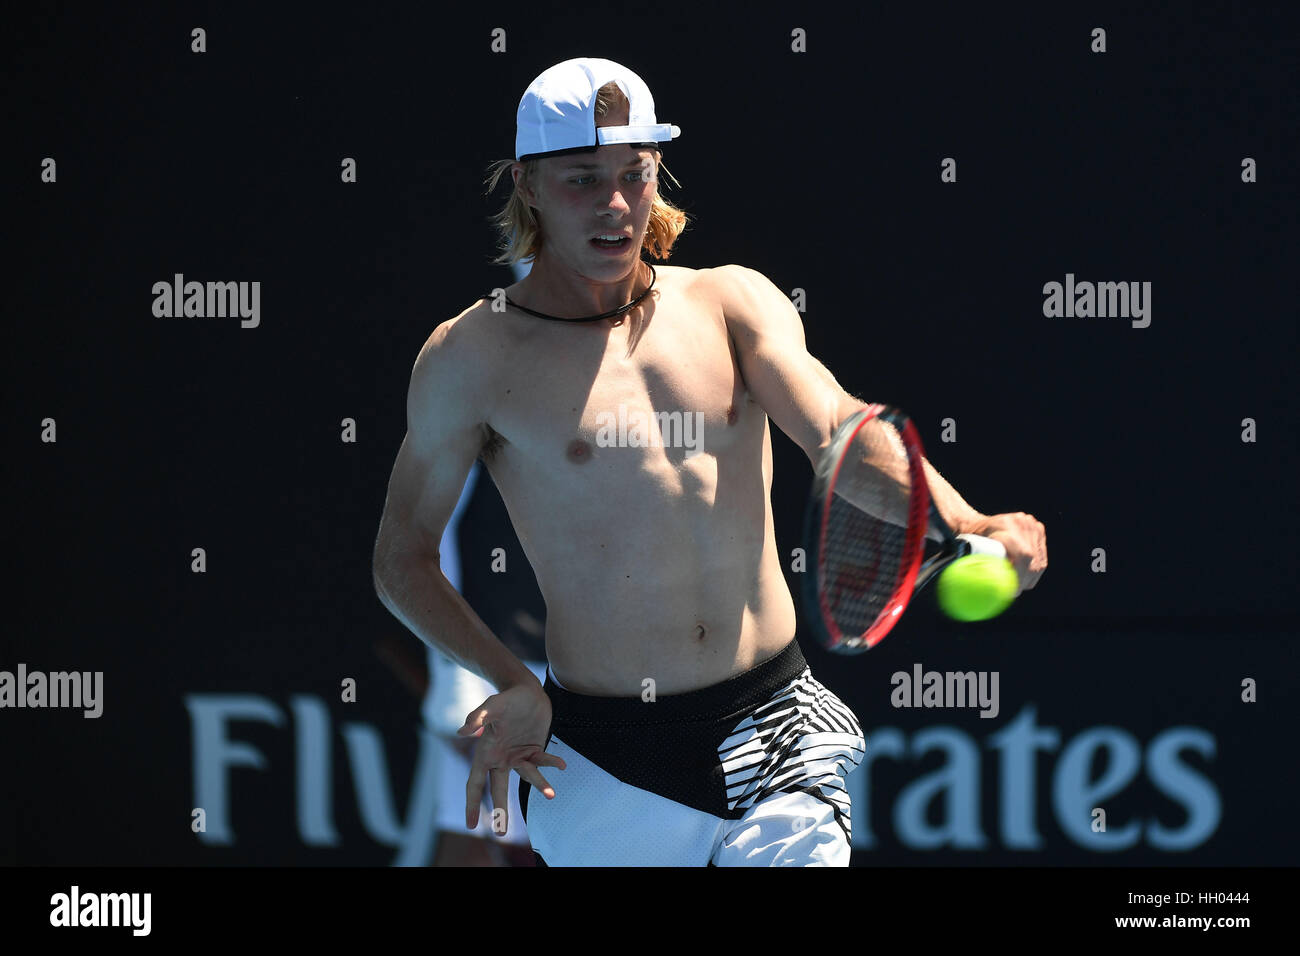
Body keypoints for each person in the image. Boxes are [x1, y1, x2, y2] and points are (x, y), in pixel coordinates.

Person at [372, 57, 1047, 866]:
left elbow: (837, 428)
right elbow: (401, 560)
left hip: (776, 732)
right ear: (526, 184)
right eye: (584, 179)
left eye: (636, 174)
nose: (617, 205)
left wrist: (966, 521)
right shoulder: (467, 358)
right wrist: (511, 680)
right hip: (602, 761)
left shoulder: (733, 302)